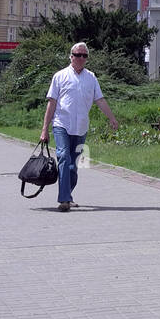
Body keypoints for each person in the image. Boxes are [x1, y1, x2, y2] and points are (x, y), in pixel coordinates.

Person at [39, 42, 119, 212]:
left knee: (73, 165)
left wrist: (112, 118)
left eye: (84, 56)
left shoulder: (91, 77)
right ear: (71, 56)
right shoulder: (59, 76)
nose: (81, 58)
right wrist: (45, 128)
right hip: (62, 124)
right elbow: (51, 103)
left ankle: (68, 195)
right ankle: (64, 200)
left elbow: (100, 100)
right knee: (63, 157)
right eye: (78, 55)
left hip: (81, 127)